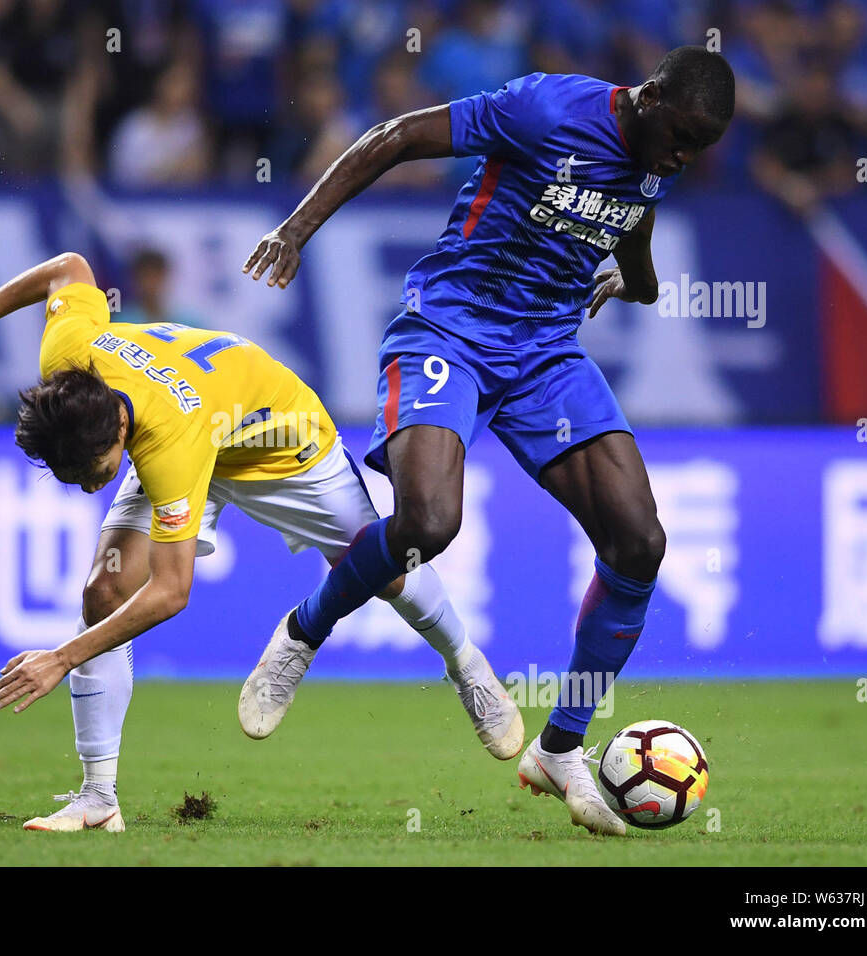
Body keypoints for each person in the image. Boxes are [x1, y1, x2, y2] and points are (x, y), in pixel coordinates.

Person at [242, 47, 734, 835]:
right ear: (647, 98)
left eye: (695, 151)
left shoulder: (661, 151)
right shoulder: (545, 110)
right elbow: (400, 135)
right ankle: (305, 629)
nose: (681, 158)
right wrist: (295, 229)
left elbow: (633, 208)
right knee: (428, 525)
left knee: (639, 542)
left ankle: (562, 747)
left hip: (547, 354)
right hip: (451, 329)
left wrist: (634, 281)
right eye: (677, 138)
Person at [0, 251, 522, 832]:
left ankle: (466, 664)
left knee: (387, 572)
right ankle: (98, 799)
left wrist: (61, 657)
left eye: (93, 470)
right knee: (105, 590)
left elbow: (171, 593)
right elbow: (69, 268)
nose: (89, 487)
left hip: (283, 445)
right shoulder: (70, 355)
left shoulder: (164, 444)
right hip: (200, 424)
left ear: (119, 430)